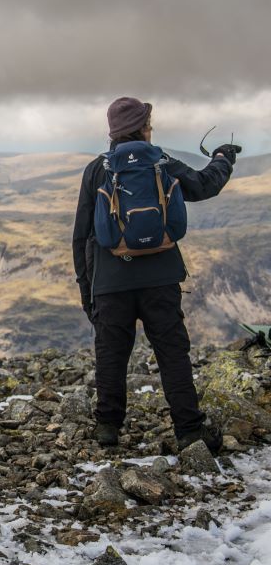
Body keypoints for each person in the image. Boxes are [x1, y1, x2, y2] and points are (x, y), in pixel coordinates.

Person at [72, 96, 239, 450]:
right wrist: (223, 158)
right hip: (161, 279)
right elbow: (204, 184)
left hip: (111, 281)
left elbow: (81, 235)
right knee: (172, 353)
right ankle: (189, 432)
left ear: (113, 131)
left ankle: (108, 429)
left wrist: (88, 290)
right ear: (143, 128)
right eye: (149, 123)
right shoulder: (161, 162)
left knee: (111, 354)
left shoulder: (98, 169)